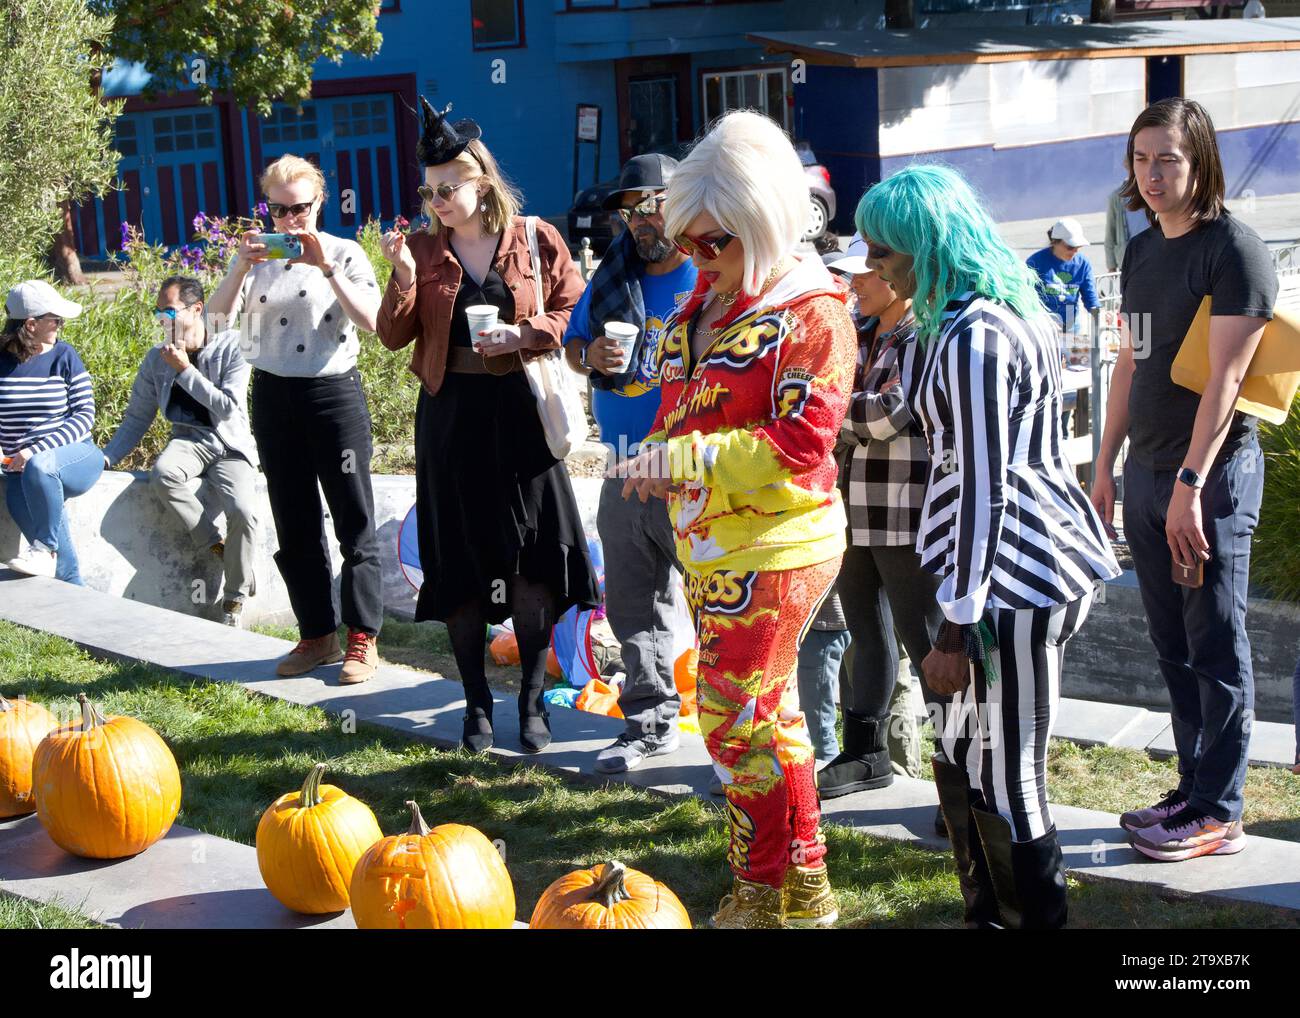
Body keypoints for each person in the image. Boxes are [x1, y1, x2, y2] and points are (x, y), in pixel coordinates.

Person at [859, 165, 1120, 929]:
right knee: (967, 754)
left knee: (1009, 776)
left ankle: (1028, 920)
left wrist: (954, 624)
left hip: (1014, 578)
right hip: (996, 572)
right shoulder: (978, 315)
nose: (872, 264)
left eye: (884, 251)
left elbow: (984, 486)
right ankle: (988, 915)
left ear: (927, 246)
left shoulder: (977, 333)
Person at [619, 110, 857, 928]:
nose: (695, 257)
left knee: (728, 717)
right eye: (685, 240)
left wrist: (679, 461)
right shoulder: (704, 302)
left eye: (710, 241)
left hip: (781, 541)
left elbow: (801, 441)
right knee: (768, 714)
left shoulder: (814, 311)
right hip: (713, 542)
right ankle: (805, 889)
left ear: (760, 220)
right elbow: (681, 407)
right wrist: (657, 452)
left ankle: (757, 894)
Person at [377, 99, 599, 755]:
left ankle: (532, 704)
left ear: (481, 179)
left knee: (532, 562)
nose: (437, 200)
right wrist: (402, 278)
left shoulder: (534, 238)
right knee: (464, 567)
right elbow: (393, 336)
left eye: (449, 187)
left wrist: (524, 333)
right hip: (453, 420)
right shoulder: (422, 247)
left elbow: (573, 311)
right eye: (429, 190)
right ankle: (476, 705)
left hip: (522, 412)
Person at [1091, 98, 1278, 862]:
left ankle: (1218, 810)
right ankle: (1191, 786)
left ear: (1199, 159)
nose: (1153, 174)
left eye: (1167, 158)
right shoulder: (1141, 250)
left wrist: (1191, 486)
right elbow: (1130, 362)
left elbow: (1227, 380)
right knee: (1170, 642)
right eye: (1141, 159)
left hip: (1210, 479)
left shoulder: (1235, 250)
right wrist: (1104, 465)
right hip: (1147, 470)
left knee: (1215, 643)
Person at [207, 154, 384, 683]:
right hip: (274, 394)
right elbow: (214, 321)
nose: (289, 221)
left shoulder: (345, 253)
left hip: (333, 393)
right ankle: (316, 634)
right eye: (277, 210)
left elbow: (374, 322)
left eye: (299, 208)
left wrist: (323, 267)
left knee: (353, 518)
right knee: (293, 518)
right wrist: (239, 266)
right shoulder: (257, 259)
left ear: (319, 203)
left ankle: (362, 637)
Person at [561, 153, 698, 774]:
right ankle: (648, 722)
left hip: (691, 468)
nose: (640, 219)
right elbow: (573, 346)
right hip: (622, 467)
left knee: (717, 603)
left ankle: (738, 738)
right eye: (628, 207)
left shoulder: (707, 276)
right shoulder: (616, 274)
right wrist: (591, 355)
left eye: (652, 203)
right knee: (634, 605)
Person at [816, 236, 945, 805]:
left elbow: (890, 414)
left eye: (864, 274)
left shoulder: (921, 334)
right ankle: (866, 754)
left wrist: (820, 406)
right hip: (854, 511)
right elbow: (862, 414)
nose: (854, 284)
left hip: (903, 514)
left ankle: (963, 770)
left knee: (929, 643)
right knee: (866, 637)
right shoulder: (858, 333)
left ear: (895, 277)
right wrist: (841, 408)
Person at [101, 275, 259, 627]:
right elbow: (137, 416)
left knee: (244, 512)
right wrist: (107, 456)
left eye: (169, 311)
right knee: (163, 474)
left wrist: (185, 370)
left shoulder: (233, 345)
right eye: (159, 311)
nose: (162, 319)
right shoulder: (157, 359)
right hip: (189, 440)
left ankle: (233, 600)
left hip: (230, 444)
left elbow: (227, 408)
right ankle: (214, 543)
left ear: (197, 310)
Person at [1, 281, 103, 584]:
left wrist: (33, 451)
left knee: (40, 466)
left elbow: (85, 416)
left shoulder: (64, 356)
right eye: (55, 320)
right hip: (21, 474)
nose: (60, 325)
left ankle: (43, 548)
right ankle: (79, 607)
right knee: (63, 562)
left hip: (73, 457)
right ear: (31, 324)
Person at [1104, 184, 1149, 274]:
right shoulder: (1117, 197)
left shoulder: (1153, 191)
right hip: (1128, 261)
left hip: (1152, 256)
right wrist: (1111, 266)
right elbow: (1110, 233)